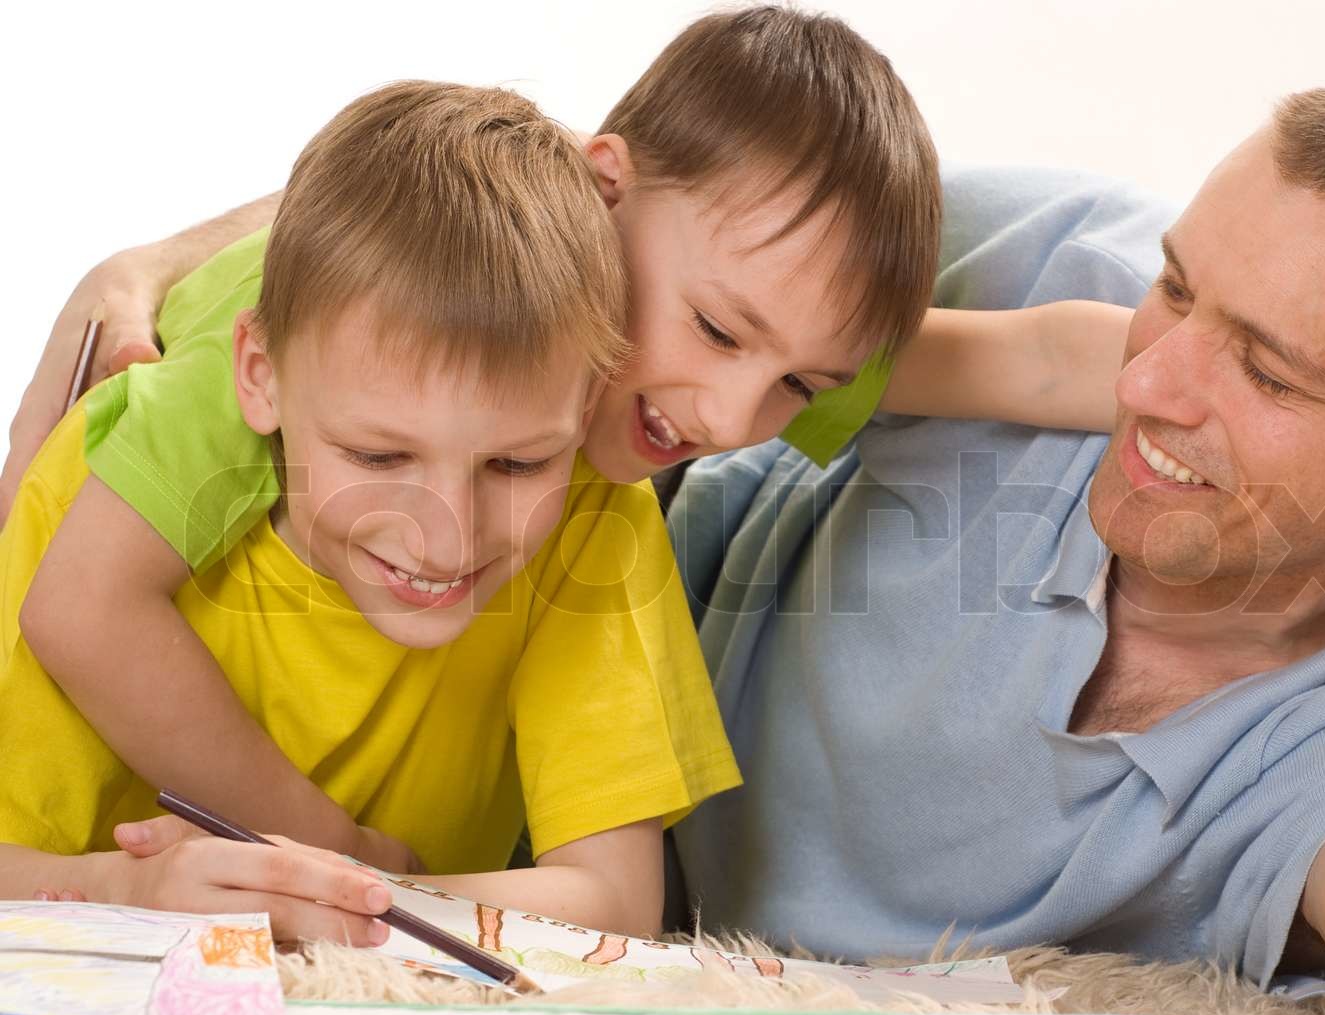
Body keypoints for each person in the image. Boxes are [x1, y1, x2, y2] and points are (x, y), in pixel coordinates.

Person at [666, 81, 1325, 1015]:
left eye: (1270, 374)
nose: (1140, 383)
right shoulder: (1048, 258)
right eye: (1177, 289)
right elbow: (599, 235)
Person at [0, 6, 945, 869]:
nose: (733, 424)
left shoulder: (690, 399)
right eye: (716, 330)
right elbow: (82, 608)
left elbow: (992, 360)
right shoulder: (276, 340)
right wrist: (334, 856)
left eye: (519, 459)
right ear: (605, 186)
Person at [0, 80, 743, 943]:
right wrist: (125, 888)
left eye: (516, 462)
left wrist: (318, 890)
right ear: (259, 374)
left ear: (586, 411)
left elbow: (613, 905)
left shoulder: (594, 522)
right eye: (380, 456)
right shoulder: (96, 485)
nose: (445, 536)